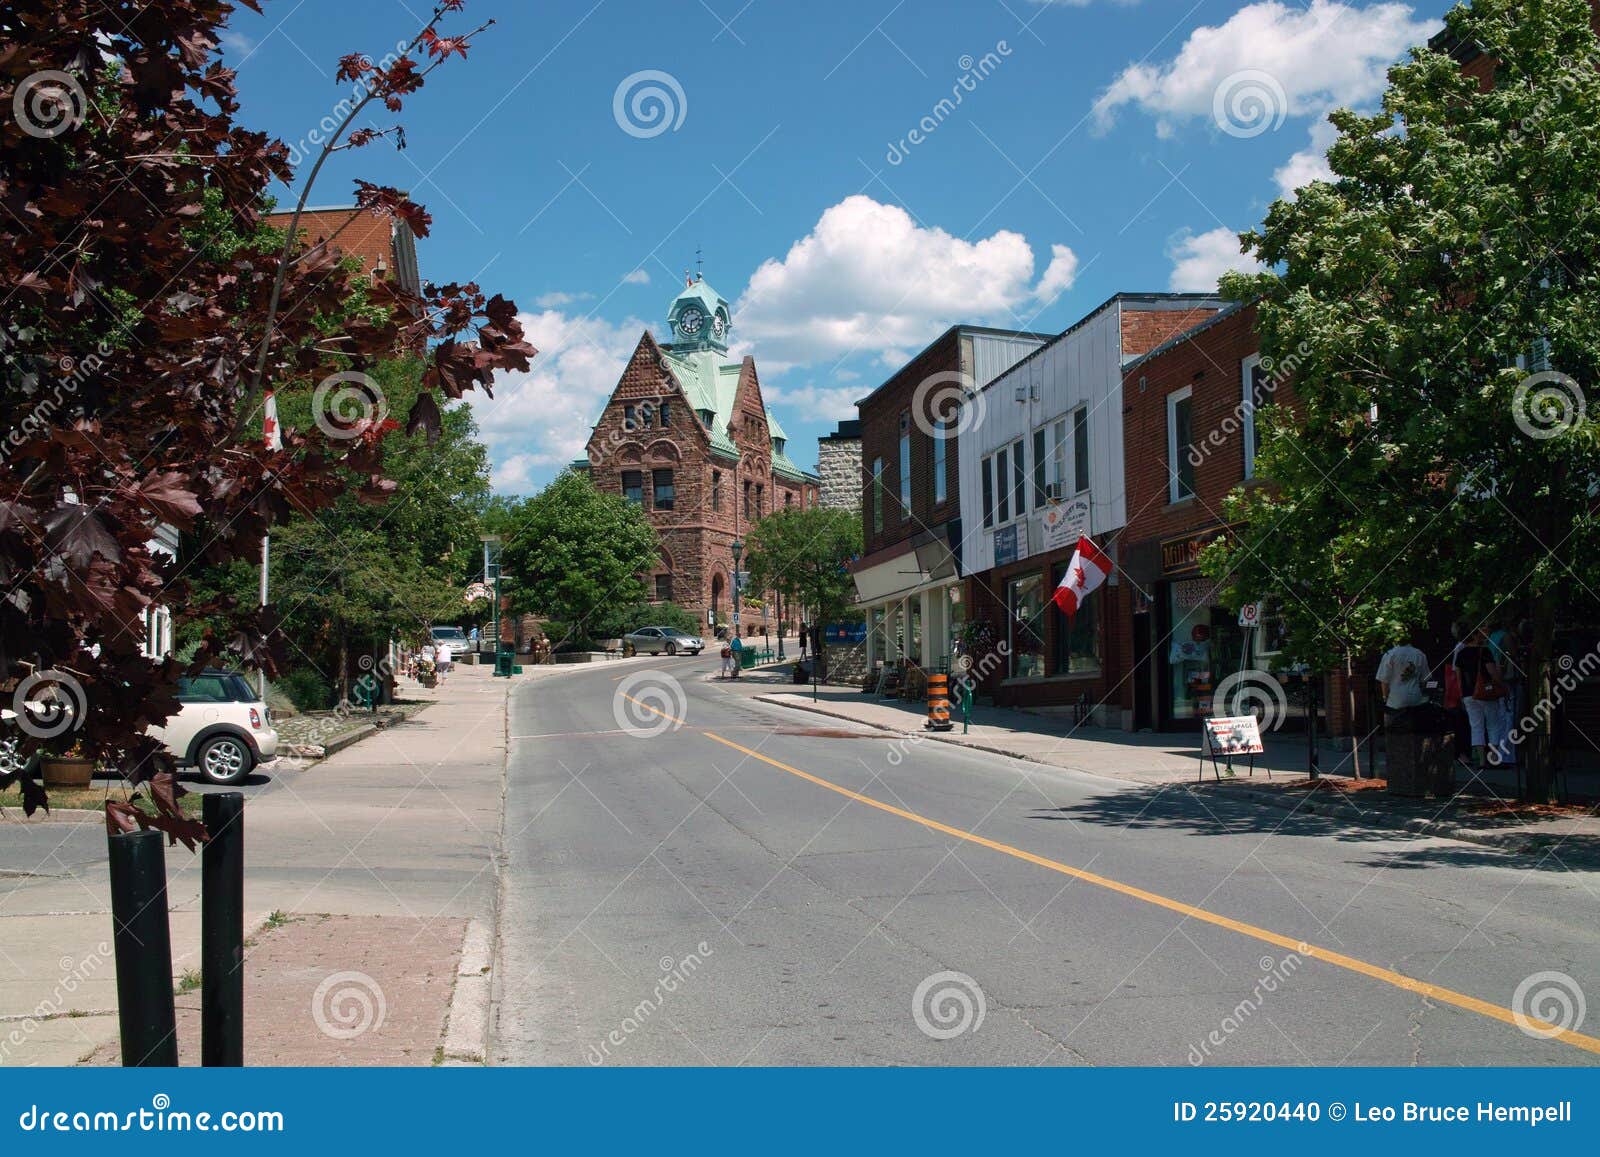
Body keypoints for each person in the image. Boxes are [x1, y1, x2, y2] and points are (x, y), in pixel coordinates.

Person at [1453, 627, 1509, 770]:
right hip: (1486, 693)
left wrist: (1461, 696)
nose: (1484, 635)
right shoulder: (1484, 651)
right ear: (1475, 635)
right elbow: (1492, 673)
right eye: (1481, 633)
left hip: (1468, 695)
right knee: (1492, 725)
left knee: (1476, 727)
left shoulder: (1461, 654)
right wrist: (1502, 686)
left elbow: (1458, 679)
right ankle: (1494, 758)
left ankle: (1482, 761)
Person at [1376, 630, 1429, 716]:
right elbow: (1424, 680)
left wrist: (1385, 698)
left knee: (1392, 727)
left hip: (1395, 702)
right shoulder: (1419, 654)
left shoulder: (1389, 654)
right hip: (1415, 700)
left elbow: (1384, 681)